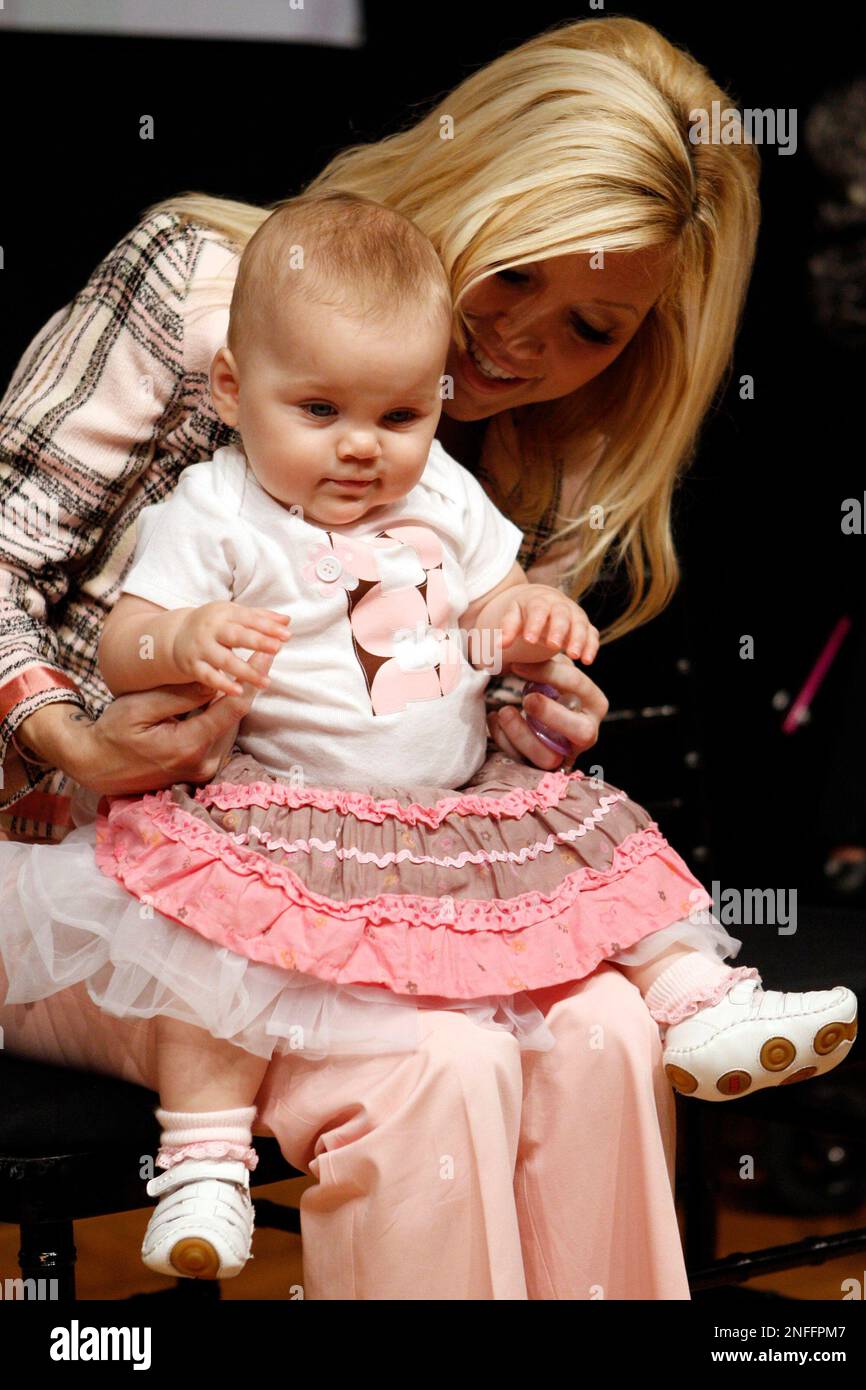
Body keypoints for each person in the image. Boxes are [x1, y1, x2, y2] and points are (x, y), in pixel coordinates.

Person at [0, 17, 822, 1299]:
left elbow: (404, 728)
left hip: (365, 873)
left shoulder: (520, 440)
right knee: (429, 1062)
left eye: (592, 327)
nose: (520, 351)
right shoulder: (201, 283)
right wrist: (69, 731)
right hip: (77, 862)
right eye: (511, 278)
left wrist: (523, 715)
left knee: (604, 1027)